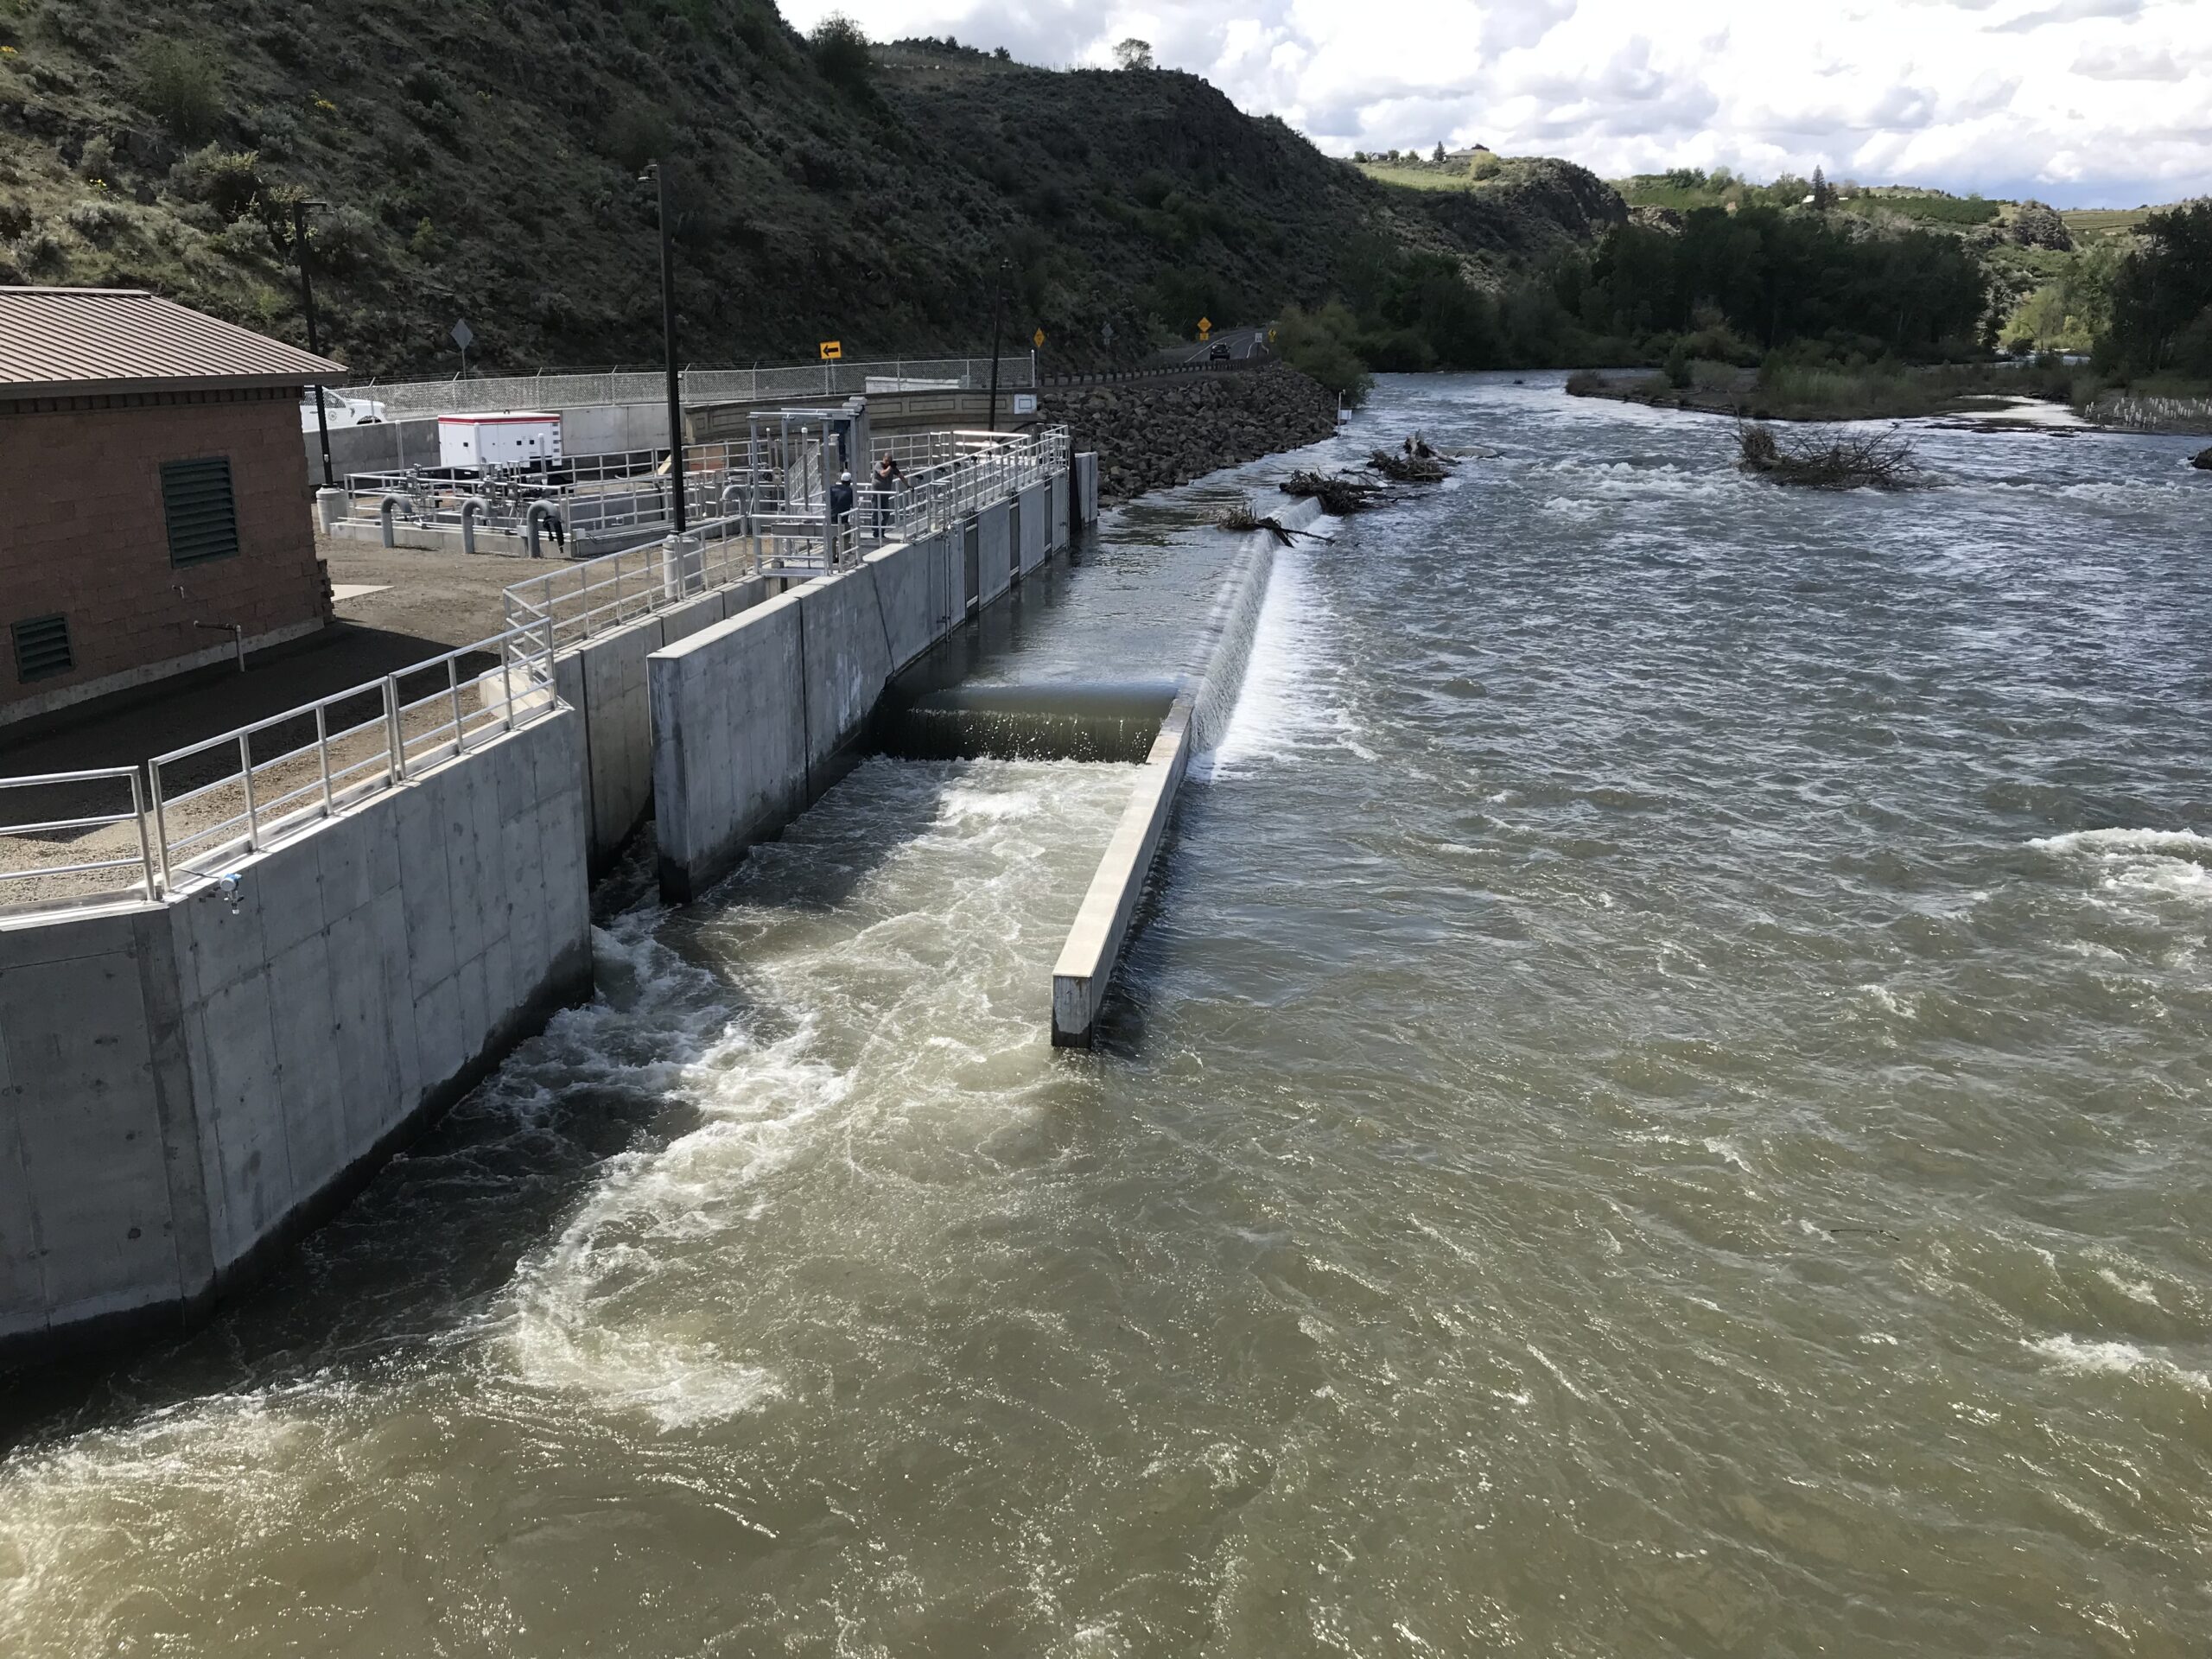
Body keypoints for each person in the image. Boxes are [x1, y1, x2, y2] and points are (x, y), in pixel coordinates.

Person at [870, 454, 904, 538]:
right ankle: (875, 532)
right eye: (886, 460)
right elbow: (883, 474)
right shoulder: (879, 465)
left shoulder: (891, 467)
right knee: (875, 512)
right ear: (883, 459)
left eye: (889, 461)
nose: (887, 462)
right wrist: (890, 467)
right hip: (876, 493)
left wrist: (908, 486)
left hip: (885, 494)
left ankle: (882, 531)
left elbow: (900, 476)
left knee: (886, 514)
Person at [827, 468, 856, 552]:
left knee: (833, 536)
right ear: (849, 481)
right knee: (846, 535)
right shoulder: (850, 491)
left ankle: (832, 557)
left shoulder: (832, 489)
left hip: (832, 517)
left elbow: (827, 500)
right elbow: (853, 504)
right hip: (843, 518)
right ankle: (843, 555)